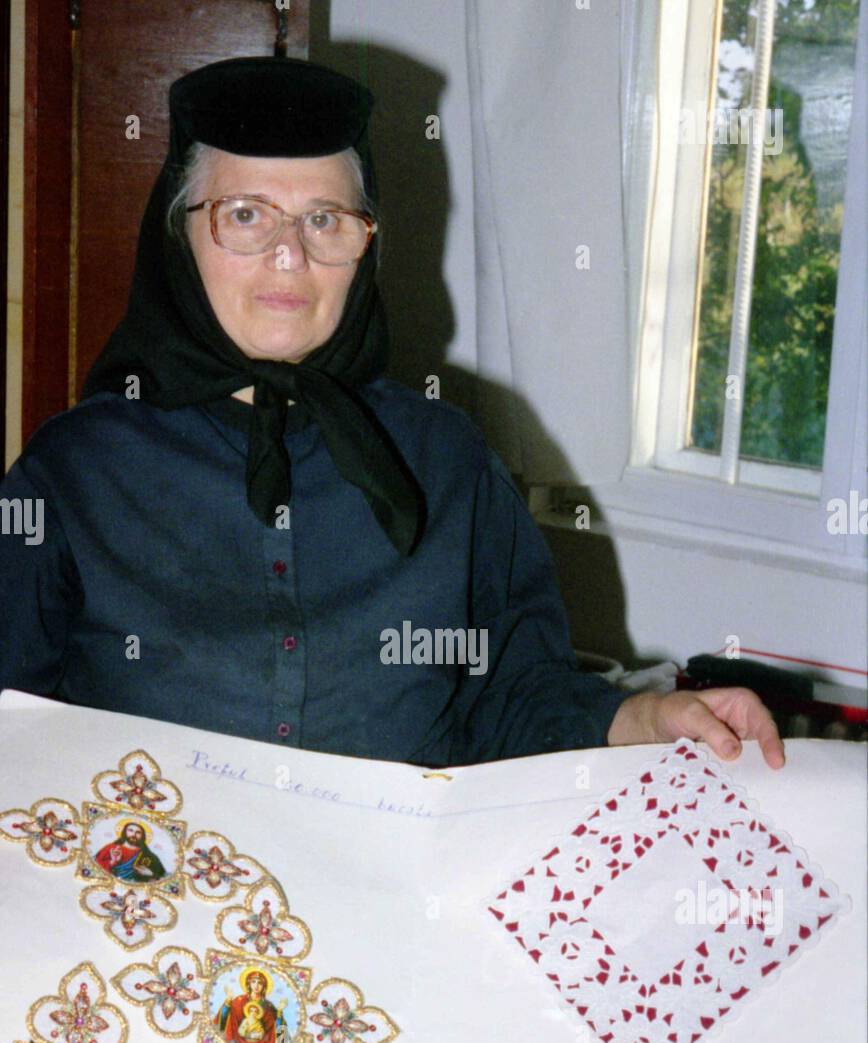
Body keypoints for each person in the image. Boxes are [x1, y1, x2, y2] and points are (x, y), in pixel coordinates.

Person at [0, 55, 784, 771]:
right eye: (244, 215)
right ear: (179, 236)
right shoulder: (72, 472)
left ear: (366, 246)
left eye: (324, 220)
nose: (288, 255)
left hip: (393, 895)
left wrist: (647, 716)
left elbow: (513, 700)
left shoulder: (449, 459)